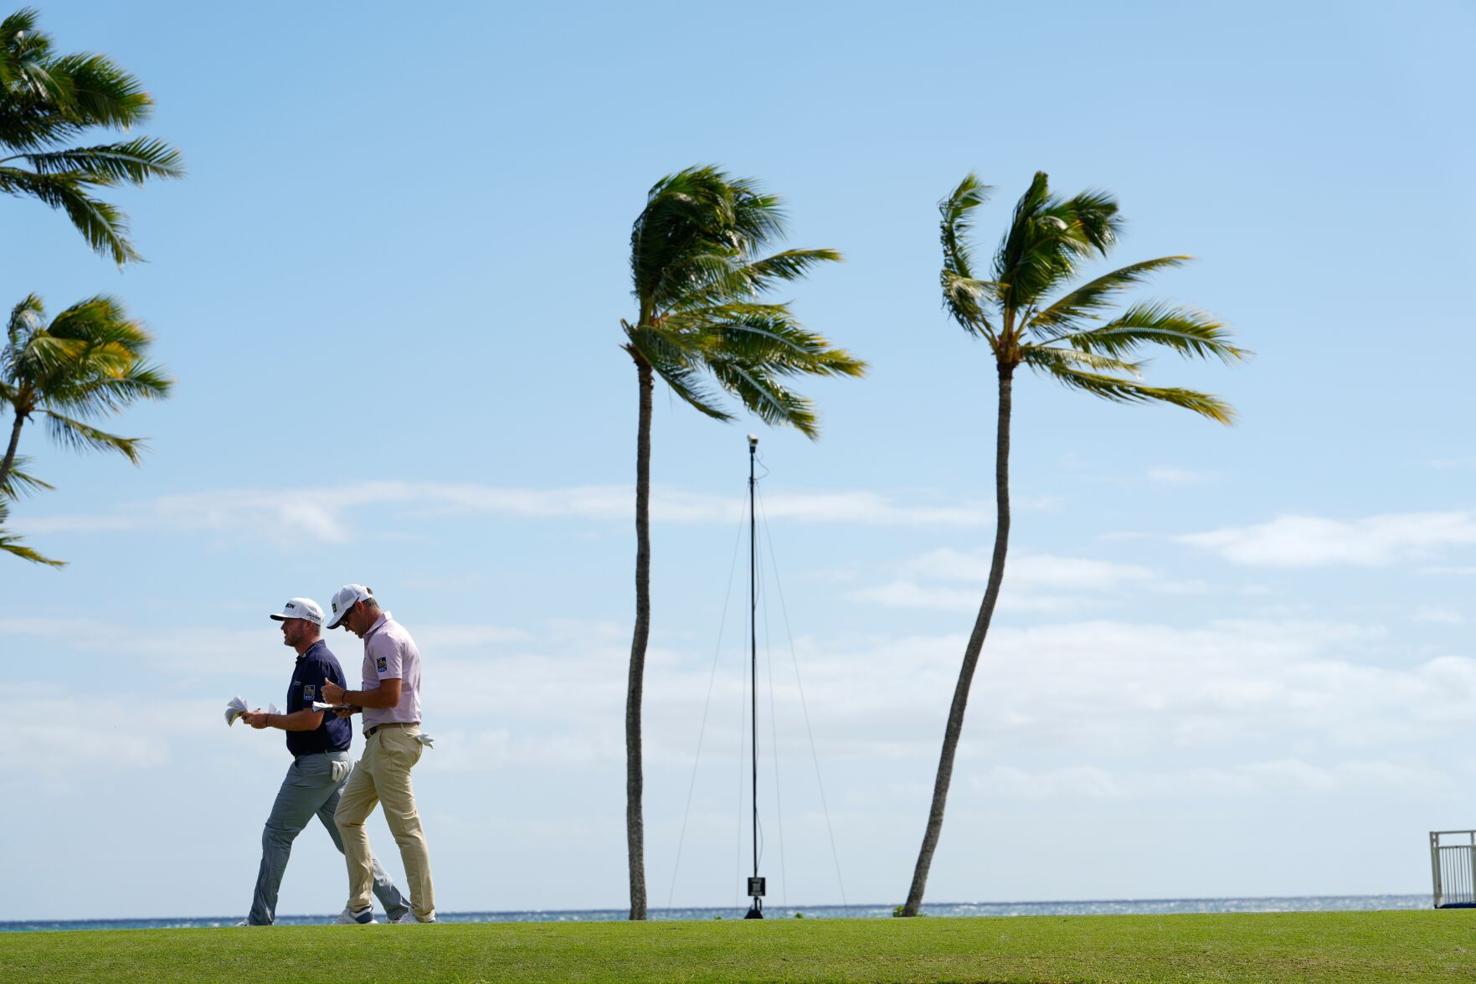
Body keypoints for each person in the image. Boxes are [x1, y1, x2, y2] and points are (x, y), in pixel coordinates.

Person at [239, 597, 411, 926]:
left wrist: (268, 721)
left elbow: (311, 720)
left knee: (276, 834)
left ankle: (260, 919)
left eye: (288, 621)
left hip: (317, 765)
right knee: (349, 839)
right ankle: (397, 908)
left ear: (307, 624)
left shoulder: (317, 662)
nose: (283, 627)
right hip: (332, 762)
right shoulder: (311, 660)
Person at [321, 584, 437, 924]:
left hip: (391, 742)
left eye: (346, 620)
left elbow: (390, 696)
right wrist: (355, 706)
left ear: (359, 607)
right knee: (346, 816)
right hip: (379, 742)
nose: (346, 628)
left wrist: (344, 696)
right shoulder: (381, 637)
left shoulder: (385, 638)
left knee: (405, 829)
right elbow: (386, 698)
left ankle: (423, 912)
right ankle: (360, 906)